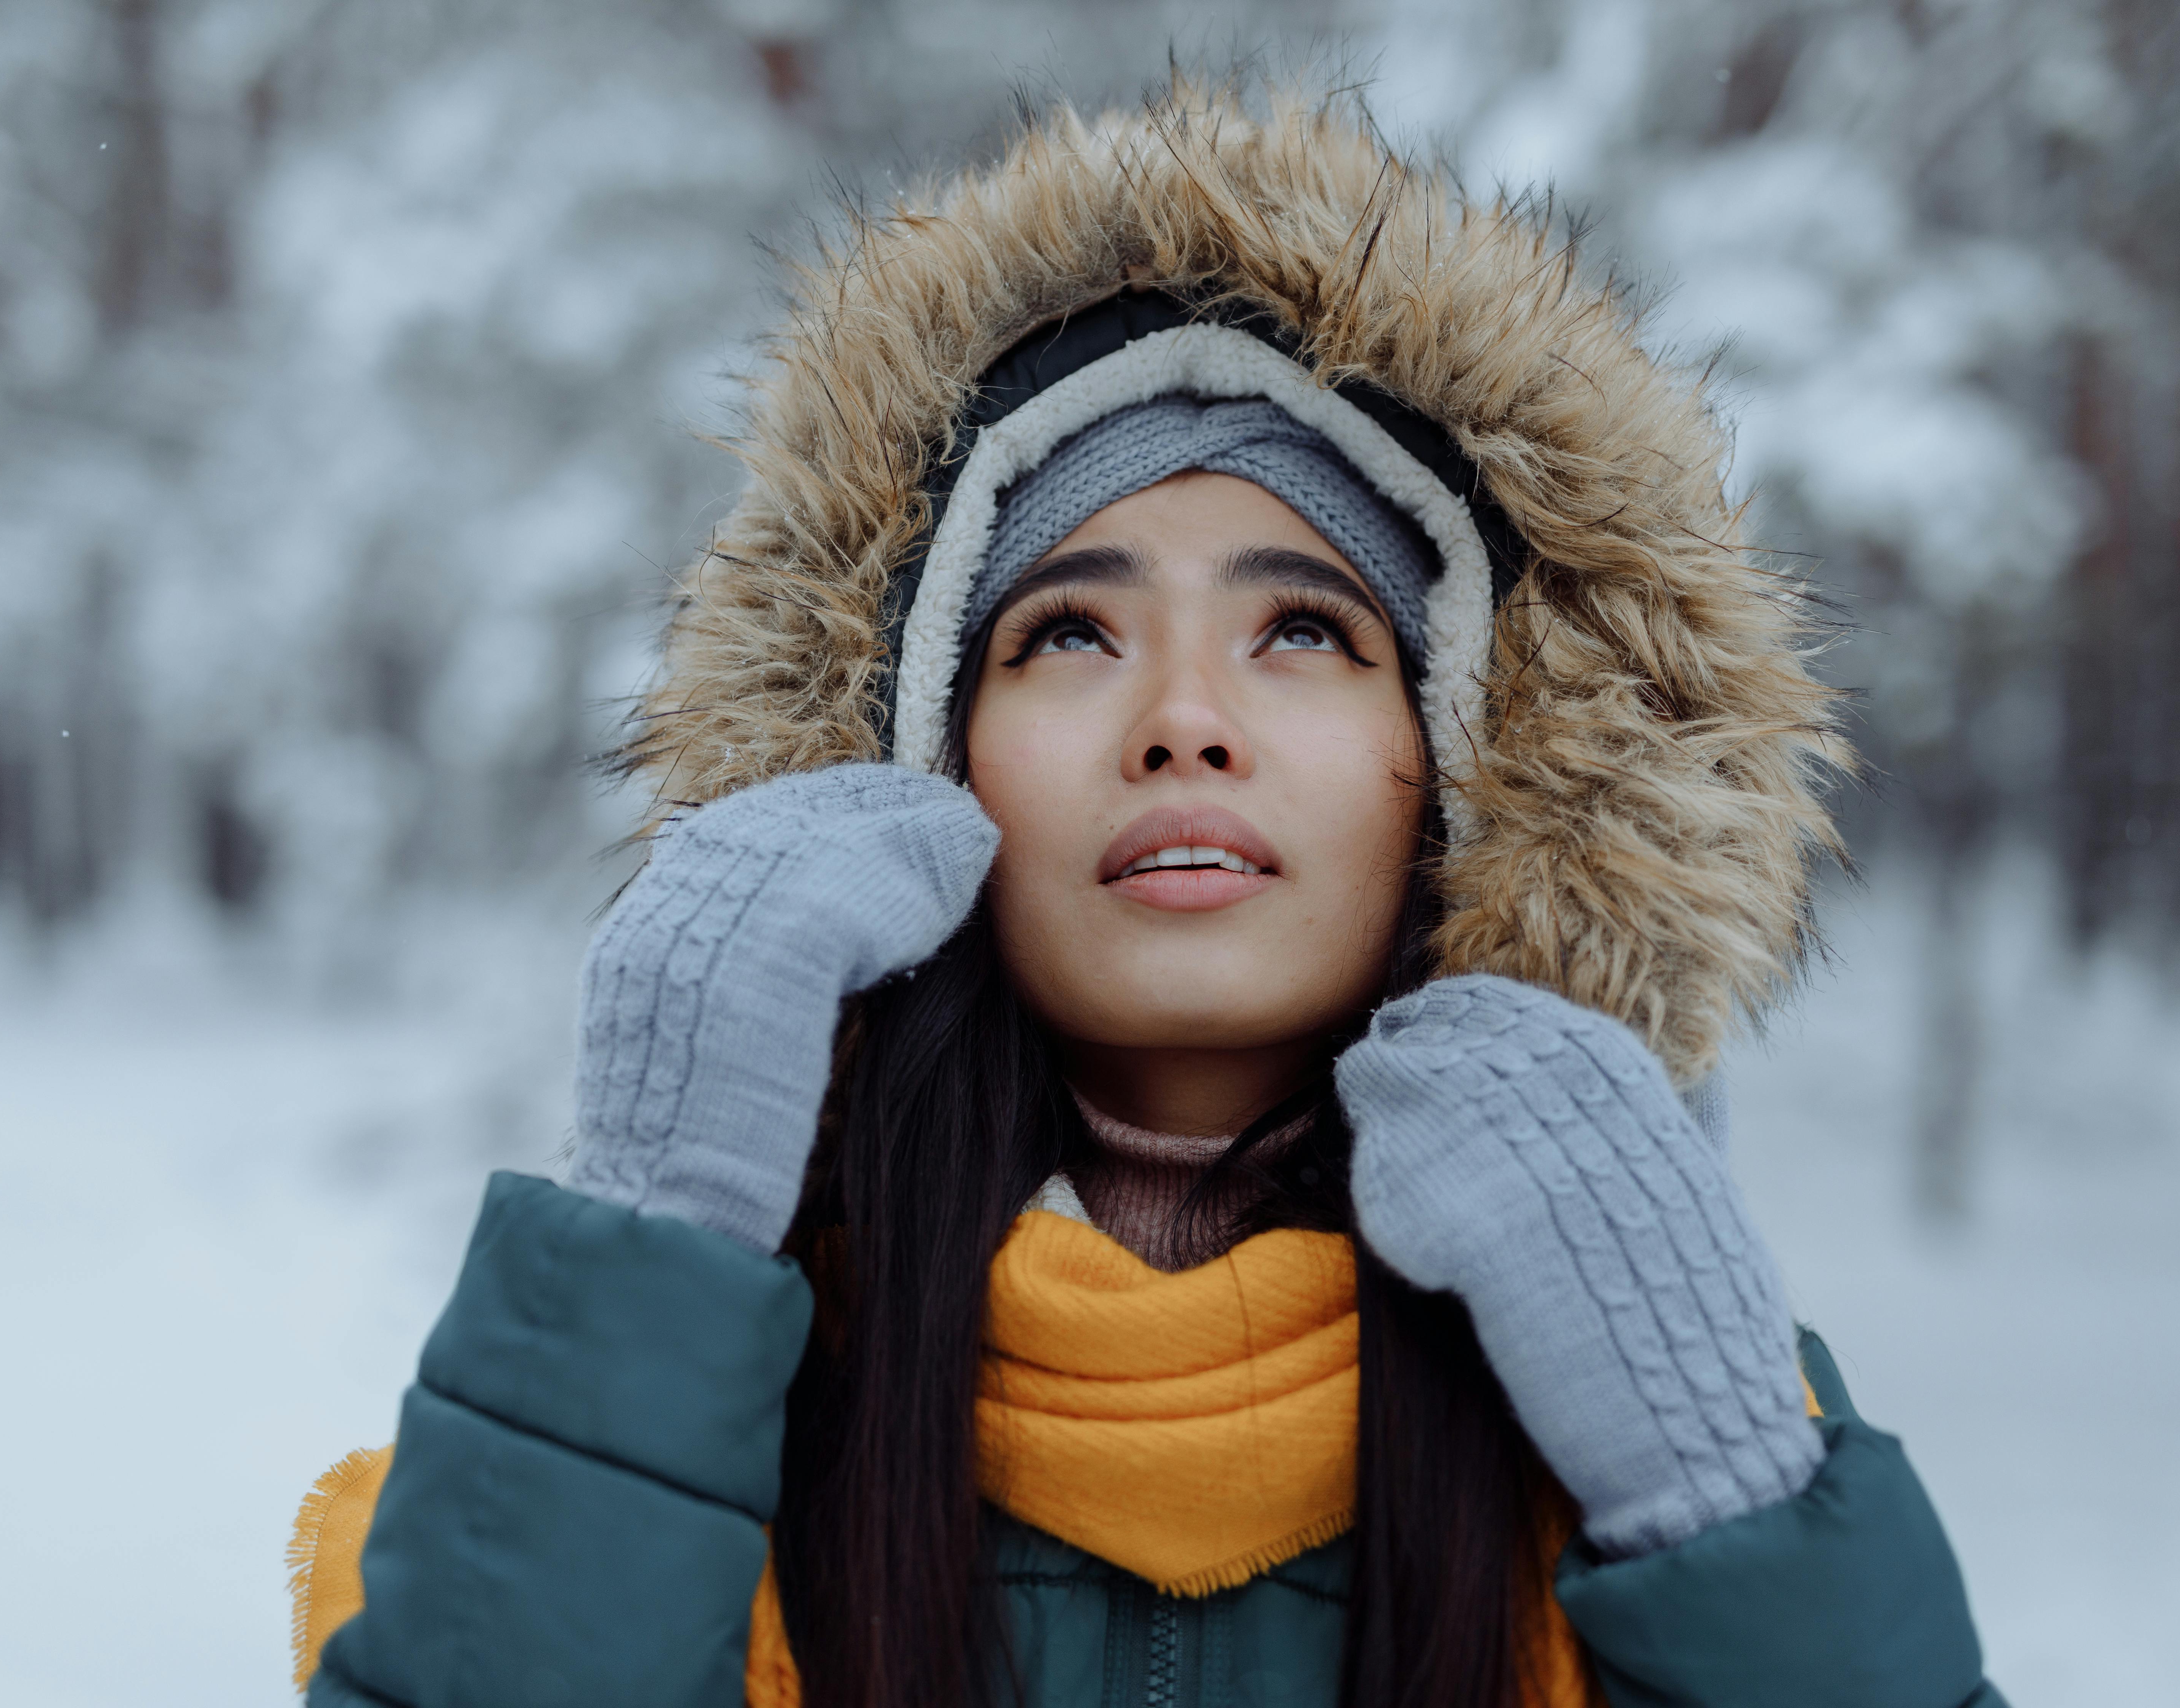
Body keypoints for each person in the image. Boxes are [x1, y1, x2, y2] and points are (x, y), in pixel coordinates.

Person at [289, 81, 2005, 1708]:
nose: (1185, 722)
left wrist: (1725, 1502)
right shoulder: (710, 1403)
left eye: (1307, 632)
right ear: (916, 760)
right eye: (1072, 633)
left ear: (1488, 761)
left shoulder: (1663, 1422)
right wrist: (652, 1245)